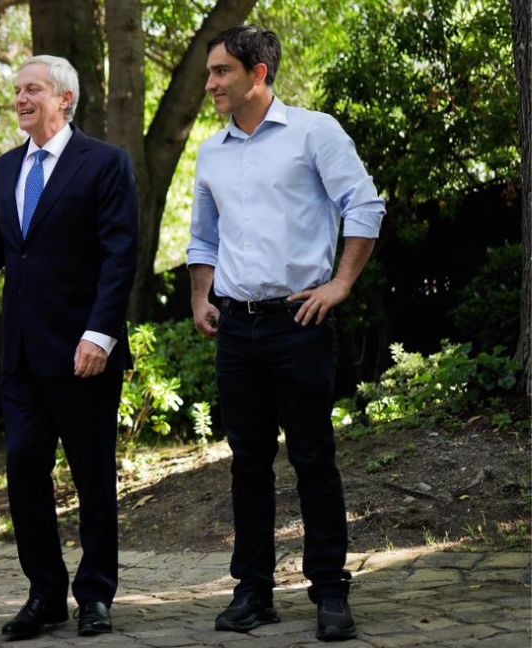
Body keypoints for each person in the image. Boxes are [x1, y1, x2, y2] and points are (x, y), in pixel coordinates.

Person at [187, 26, 385, 643]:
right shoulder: (213, 152)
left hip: (299, 322)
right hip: (237, 330)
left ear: (259, 74)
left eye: (221, 72)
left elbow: (364, 206)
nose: (212, 84)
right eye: (210, 74)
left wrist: (340, 284)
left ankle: (330, 592)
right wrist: (201, 297)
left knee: (312, 457)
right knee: (247, 463)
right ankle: (253, 593)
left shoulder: (314, 133)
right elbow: (203, 238)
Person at [0, 55, 138, 640]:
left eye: (31, 89)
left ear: (64, 99)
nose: (20, 98)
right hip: (19, 357)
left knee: (93, 475)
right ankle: (45, 595)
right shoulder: (3, 168)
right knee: (23, 470)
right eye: (16, 90)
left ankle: (95, 595)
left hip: (83, 352)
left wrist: (100, 334)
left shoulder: (106, 164)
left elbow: (120, 255)